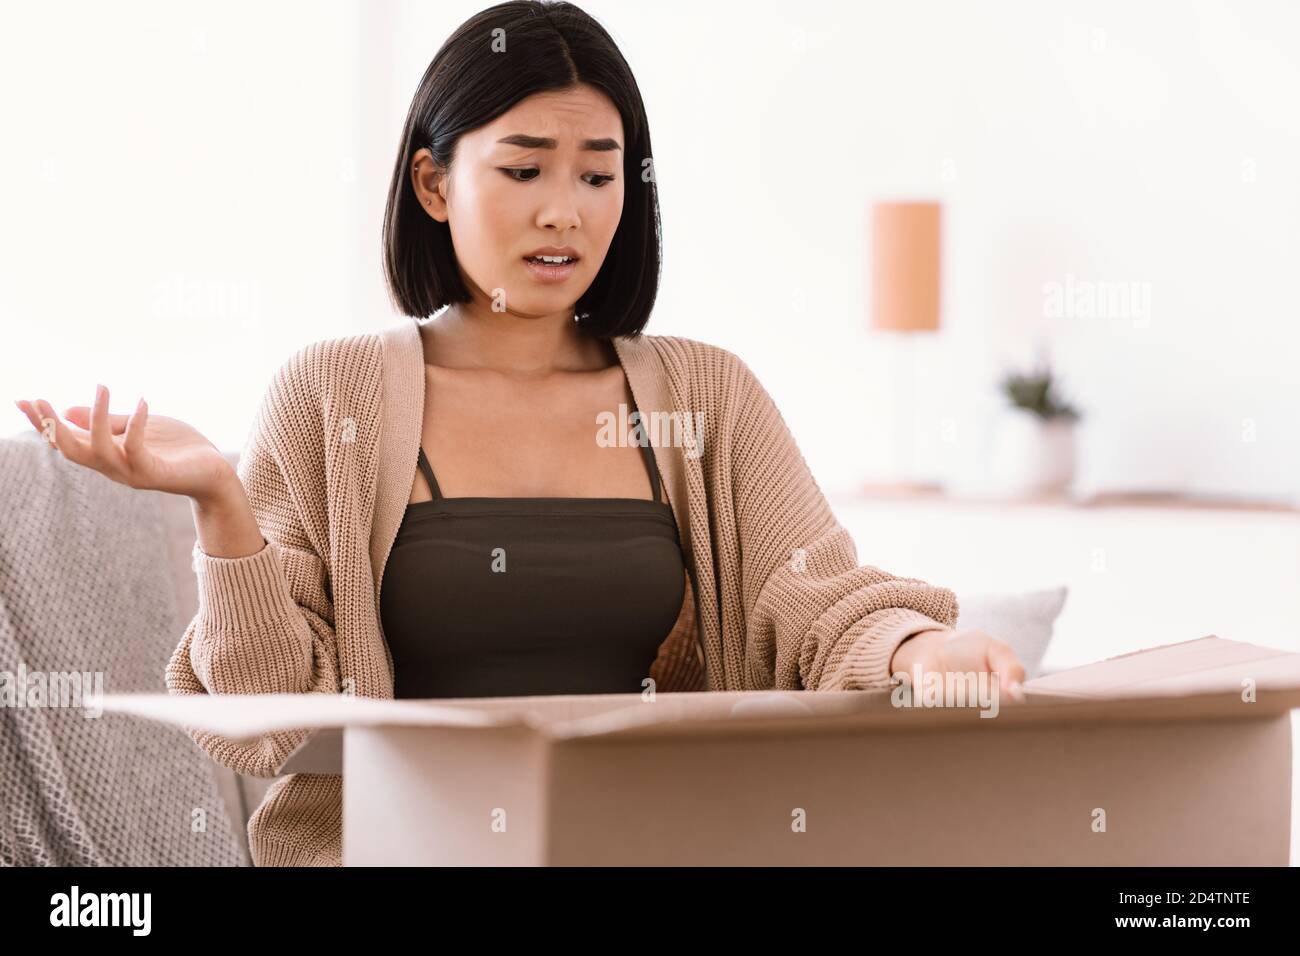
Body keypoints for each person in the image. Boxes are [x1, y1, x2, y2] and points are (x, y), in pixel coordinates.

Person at [12, 0, 1024, 866]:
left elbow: (814, 602)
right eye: (525, 169)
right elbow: (275, 720)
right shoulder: (331, 393)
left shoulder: (705, 397)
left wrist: (921, 645)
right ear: (432, 184)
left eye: (598, 175)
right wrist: (221, 507)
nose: (565, 213)